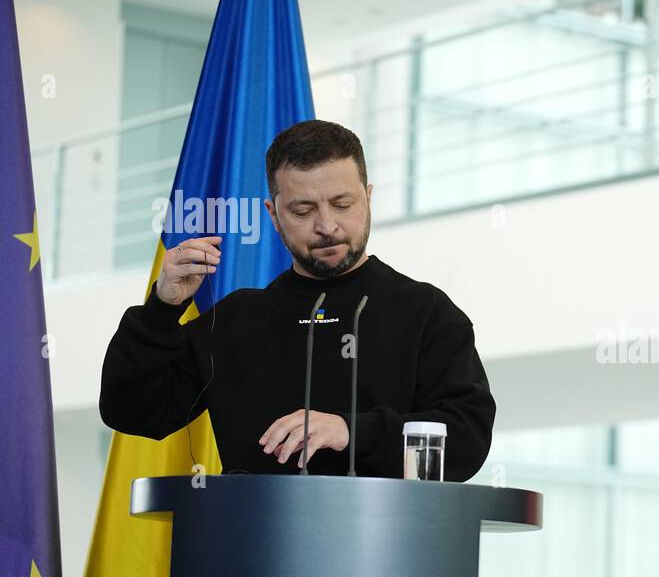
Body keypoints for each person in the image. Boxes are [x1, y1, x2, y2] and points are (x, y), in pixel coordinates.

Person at [100, 119, 495, 479]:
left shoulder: (426, 312)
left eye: (343, 204)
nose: (327, 226)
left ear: (368, 197)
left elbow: (466, 438)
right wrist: (161, 310)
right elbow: (133, 412)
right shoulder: (236, 320)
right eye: (303, 210)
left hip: (388, 549)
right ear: (273, 215)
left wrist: (351, 430)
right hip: (250, 549)